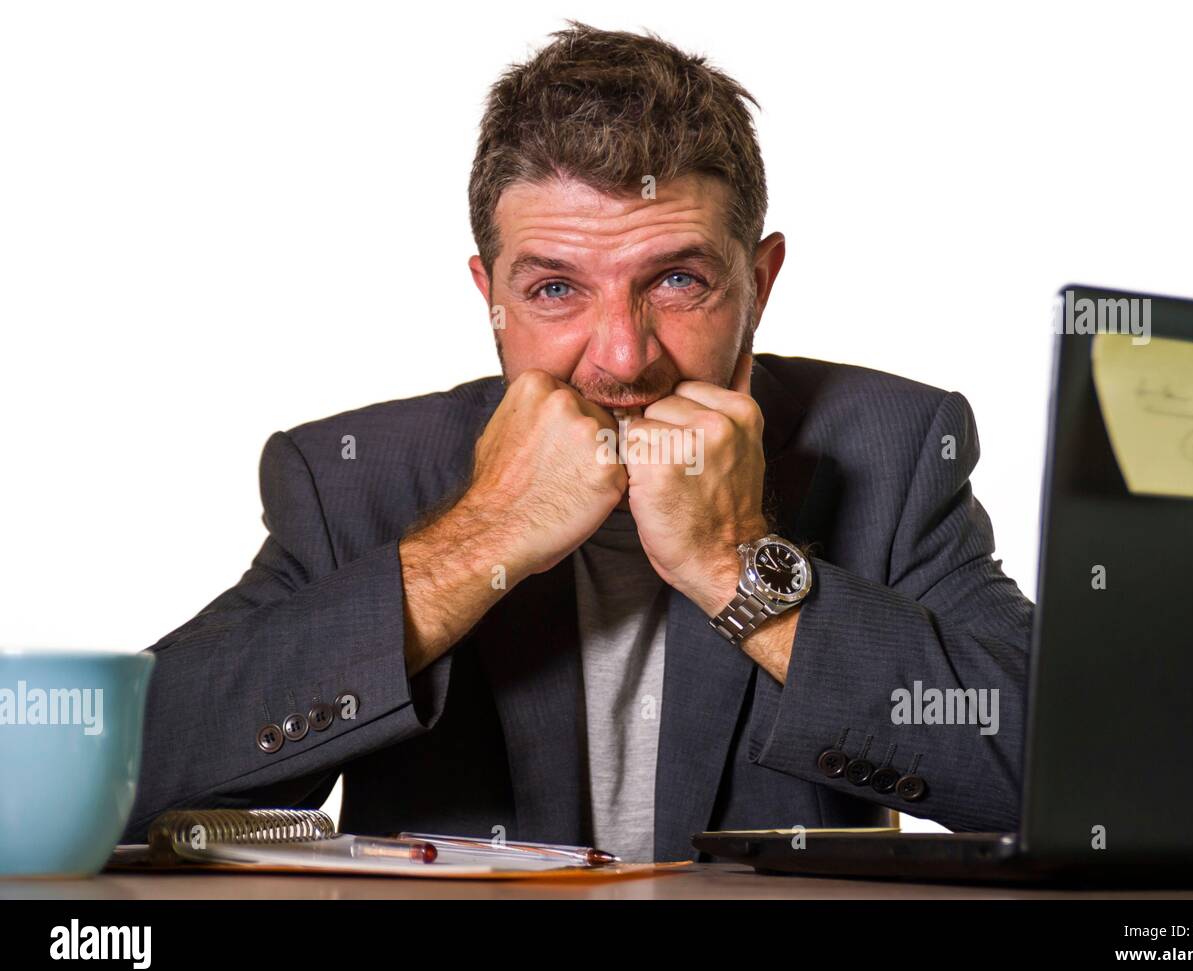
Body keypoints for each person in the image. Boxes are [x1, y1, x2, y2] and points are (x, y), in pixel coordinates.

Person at [128, 22, 1033, 862]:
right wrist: (475, 540)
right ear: (490, 292)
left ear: (759, 282)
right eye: (556, 289)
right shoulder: (351, 482)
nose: (622, 355)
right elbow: (110, 774)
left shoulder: (892, 451)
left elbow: (1084, 771)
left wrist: (739, 568)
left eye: (677, 279)